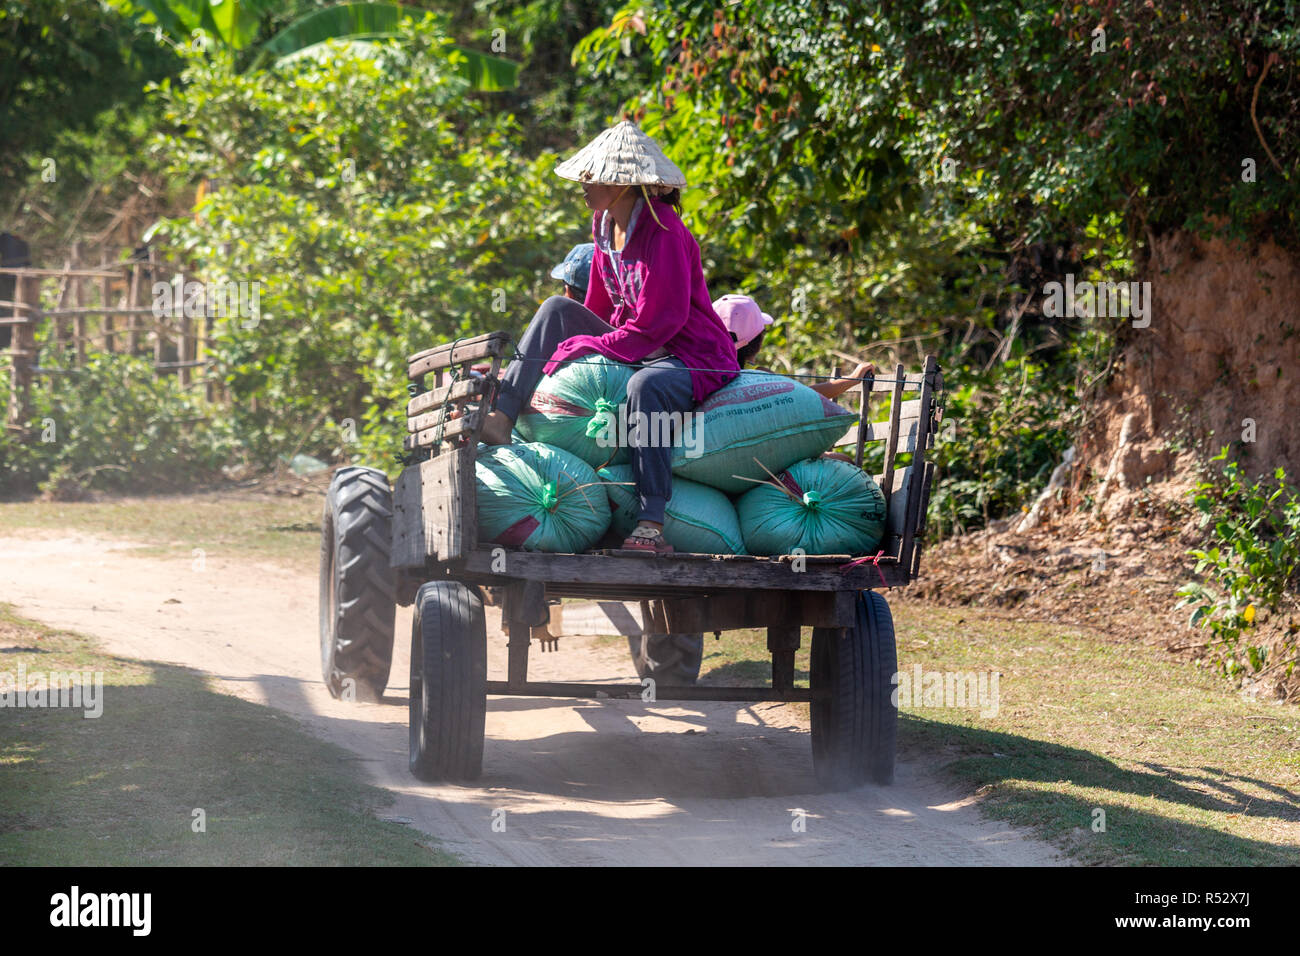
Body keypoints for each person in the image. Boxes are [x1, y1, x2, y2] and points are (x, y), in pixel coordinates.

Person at [481, 121, 740, 553]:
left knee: (645, 385)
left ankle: (651, 522)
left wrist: (591, 346)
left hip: (690, 355)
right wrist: (576, 351)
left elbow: (664, 323)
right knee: (556, 310)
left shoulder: (666, 233)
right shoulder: (604, 223)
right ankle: (503, 418)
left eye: (593, 177)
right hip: (639, 343)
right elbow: (598, 309)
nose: (583, 185)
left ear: (621, 185)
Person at [712, 293, 876, 398]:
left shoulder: (699, 376)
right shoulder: (761, 378)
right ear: (756, 342)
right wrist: (852, 379)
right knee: (840, 456)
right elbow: (805, 395)